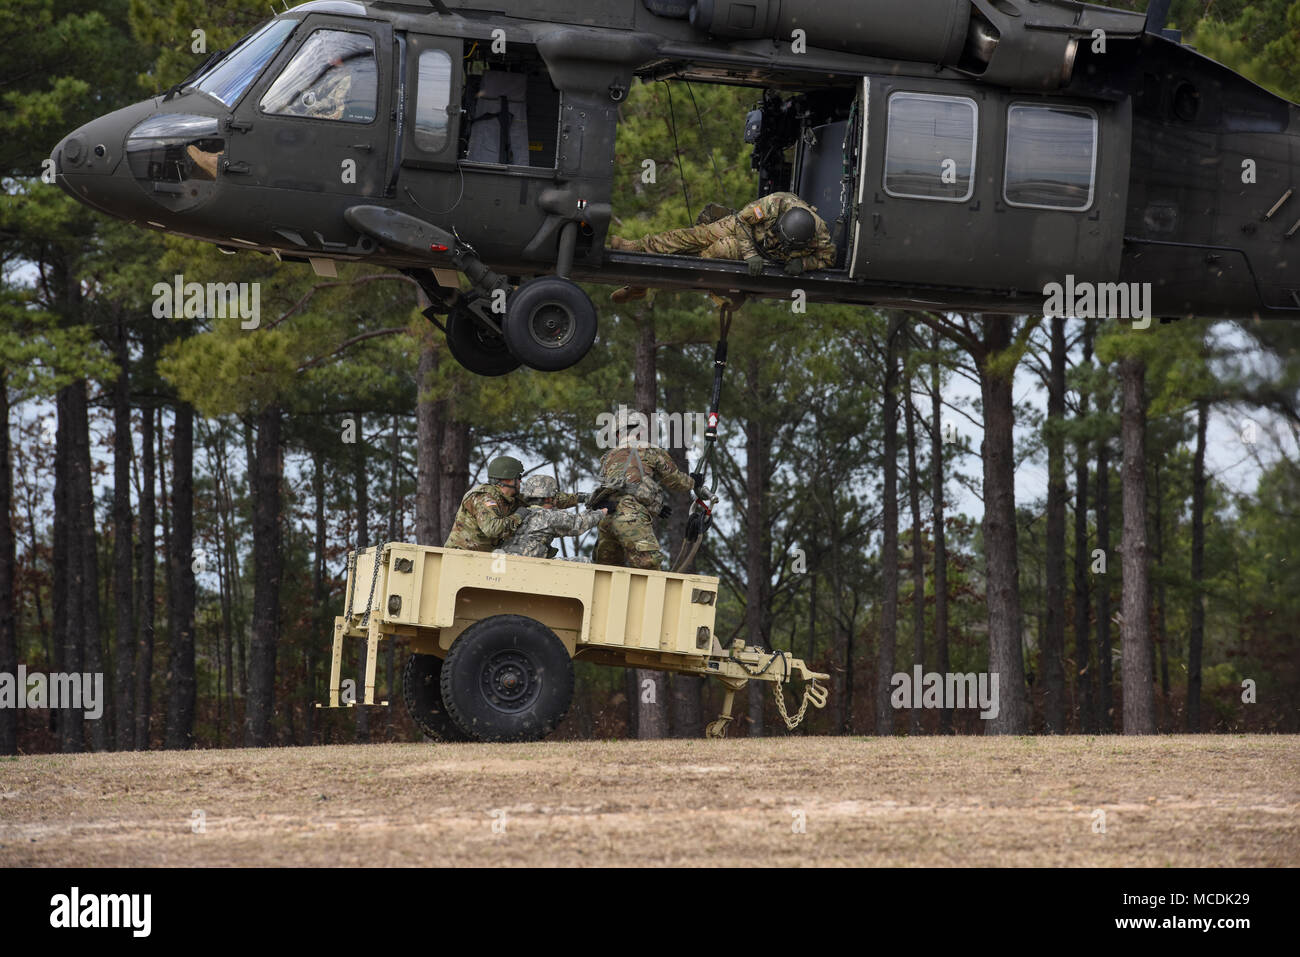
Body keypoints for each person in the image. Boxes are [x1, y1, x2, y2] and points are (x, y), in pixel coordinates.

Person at [609, 191, 837, 303]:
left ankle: (642, 284)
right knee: (694, 237)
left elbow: (829, 259)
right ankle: (636, 247)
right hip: (748, 232)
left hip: (765, 256)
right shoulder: (773, 205)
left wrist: (804, 263)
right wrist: (749, 254)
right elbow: (741, 221)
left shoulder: (820, 234)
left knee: (711, 256)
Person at [591, 407, 699, 570]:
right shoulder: (651, 451)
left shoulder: (608, 457)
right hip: (630, 516)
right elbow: (676, 481)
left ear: (618, 433)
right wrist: (693, 482)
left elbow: (624, 485)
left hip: (606, 518)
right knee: (649, 569)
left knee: (606, 574)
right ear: (640, 430)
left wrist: (656, 506)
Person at [499, 475, 608, 558]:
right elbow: (577, 524)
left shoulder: (517, 514)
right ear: (548, 499)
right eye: (555, 496)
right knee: (585, 562)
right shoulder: (548, 516)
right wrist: (602, 511)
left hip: (507, 560)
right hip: (529, 563)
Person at [443, 455, 527, 552]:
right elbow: (493, 529)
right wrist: (518, 516)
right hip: (460, 555)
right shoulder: (482, 497)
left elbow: (528, 501)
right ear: (507, 479)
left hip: (481, 557)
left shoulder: (508, 499)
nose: (520, 481)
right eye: (518, 477)